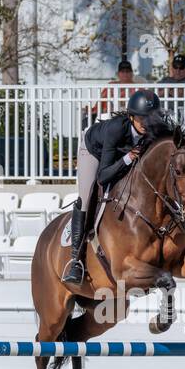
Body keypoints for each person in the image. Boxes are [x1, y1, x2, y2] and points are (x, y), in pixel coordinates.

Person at [64, 88, 167, 285]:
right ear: (131, 117)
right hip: (94, 150)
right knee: (86, 197)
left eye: (150, 119)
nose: (146, 124)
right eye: (141, 119)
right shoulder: (115, 130)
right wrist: (128, 158)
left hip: (124, 155)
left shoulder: (156, 128)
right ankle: (75, 260)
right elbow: (103, 177)